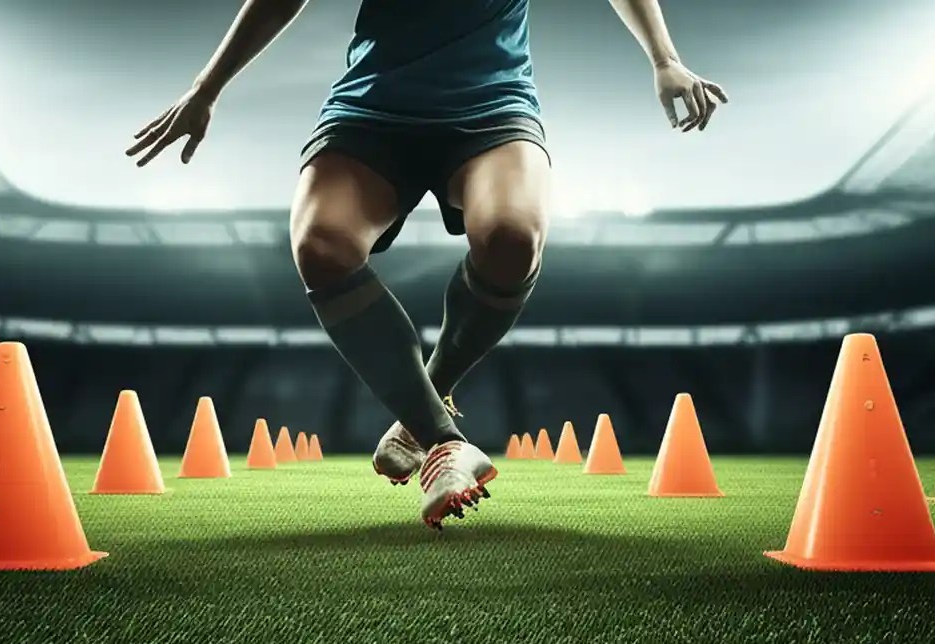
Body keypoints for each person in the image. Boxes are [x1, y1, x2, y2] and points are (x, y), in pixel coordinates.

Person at [127, 0, 728, 529]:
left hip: (492, 106)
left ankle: (427, 407)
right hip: (372, 110)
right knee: (320, 245)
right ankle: (446, 441)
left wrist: (663, 58)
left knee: (513, 237)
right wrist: (206, 89)